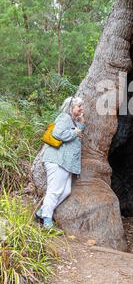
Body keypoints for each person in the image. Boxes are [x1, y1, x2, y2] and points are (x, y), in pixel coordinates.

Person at [36, 96, 86, 230]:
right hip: (57, 160)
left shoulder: (73, 121)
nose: (82, 108)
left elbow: (75, 133)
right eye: (79, 106)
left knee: (66, 191)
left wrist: (80, 124)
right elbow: (58, 134)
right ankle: (47, 222)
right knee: (54, 191)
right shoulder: (64, 117)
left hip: (65, 162)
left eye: (82, 105)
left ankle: (41, 212)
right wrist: (74, 131)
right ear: (71, 108)